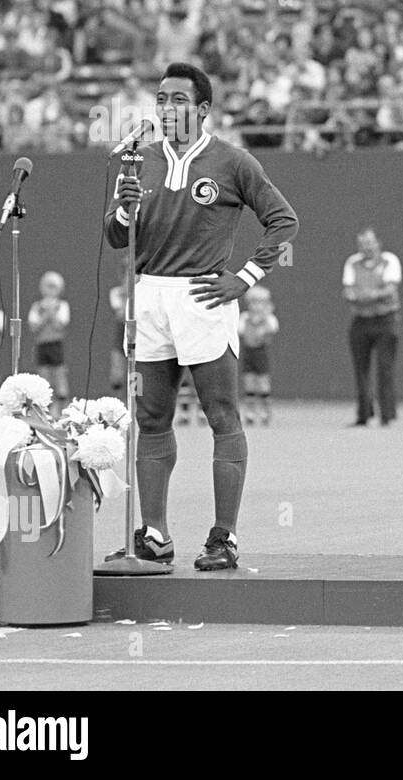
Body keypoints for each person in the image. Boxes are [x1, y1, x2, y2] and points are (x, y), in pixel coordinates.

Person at [104, 61, 299, 571]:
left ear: (203, 109)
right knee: (150, 417)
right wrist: (123, 210)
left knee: (221, 415)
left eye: (178, 100)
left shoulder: (234, 162)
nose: (167, 108)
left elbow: (284, 220)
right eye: (161, 99)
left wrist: (246, 277)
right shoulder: (138, 160)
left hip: (203, 296)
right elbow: (115, 235)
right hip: (149, 295)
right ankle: (154, 535)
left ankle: (224, 537)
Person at [343, 228, 401, 427]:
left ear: (378, 243)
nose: (366, 247)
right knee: (360, 369)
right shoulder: (352, 263)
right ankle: (364, 414)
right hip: (361, 321)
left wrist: (366, 296)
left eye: (370, 242)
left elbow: (390, 290)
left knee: (385, 368)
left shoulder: (390, 261)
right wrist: (372, 295)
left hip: (385, 321)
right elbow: (349, 292)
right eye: (362, 243)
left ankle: (387, 415)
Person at [27, 270, 70, 415]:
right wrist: (46, 314)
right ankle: (47, 409)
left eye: (54, 287)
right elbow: (34, 326)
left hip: (56, 345)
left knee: (59, 374)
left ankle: (63, 408)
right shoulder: (37, 307)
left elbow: (60, 325)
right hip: (42, 345)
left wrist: (51, 312)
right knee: (44, 376)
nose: (50, 291)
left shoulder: (62, 306)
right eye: (48, 286)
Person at [238, 285, 279, 426]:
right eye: (254, 302)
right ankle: (249, 413)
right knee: (249, 383)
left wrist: (264, 318)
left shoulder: (269, 319)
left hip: (261, 354)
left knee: (263, 384)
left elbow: (272, 329)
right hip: (248, 354)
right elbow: (241, 331)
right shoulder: (244, 318)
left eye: (261, 302)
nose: (257, 306)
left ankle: (265, 412)